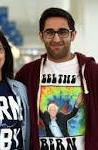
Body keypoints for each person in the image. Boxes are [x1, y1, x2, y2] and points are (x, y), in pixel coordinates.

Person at [15, 7, 98, 150]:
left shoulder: (92, 72)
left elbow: (73, 113)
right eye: (49, 32)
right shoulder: (27, 74)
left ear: (73, 35)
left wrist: (77, 105)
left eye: (63, 32)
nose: (56, 38)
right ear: (41, 36)